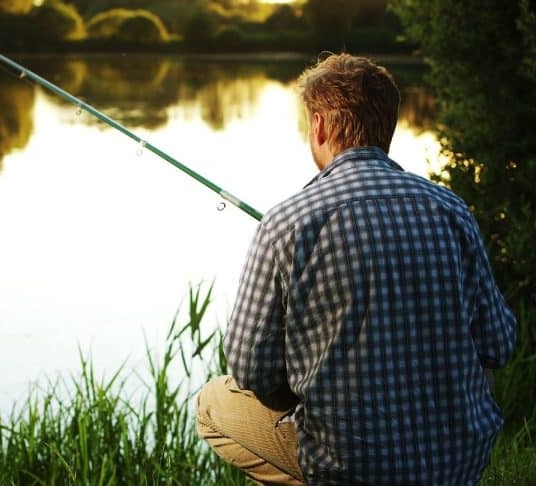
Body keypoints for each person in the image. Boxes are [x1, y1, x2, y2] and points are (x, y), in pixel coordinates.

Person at [195, 53, 517, 485]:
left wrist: (308, 374)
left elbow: (251, 369)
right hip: (457, 467)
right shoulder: (451, 209)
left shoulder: (287, 221)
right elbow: (499, 343)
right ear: (388, 128)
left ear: (320, 127)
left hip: (350, 469)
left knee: (213, 405)